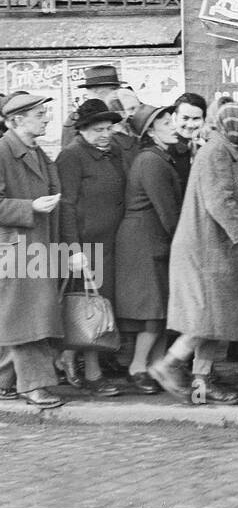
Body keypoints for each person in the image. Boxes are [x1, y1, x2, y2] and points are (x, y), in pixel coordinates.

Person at [151, 102, 238, 405]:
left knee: (215, 321)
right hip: (206, 252)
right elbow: (219, 202)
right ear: (232, 126)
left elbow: (220, 199)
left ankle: (202, 385)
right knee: (205, 319)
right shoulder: (217, 152)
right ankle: (169, 365)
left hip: (214, 249)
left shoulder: (224, 151)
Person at [55, 98, 129, 397]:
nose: (105, 133)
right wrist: (74, 250)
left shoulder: (111, 153)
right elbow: (67, 206)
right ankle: (92, 373)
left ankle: (69, 358)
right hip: (86, 246)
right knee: (88, 309)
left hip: (109, 244)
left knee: (100, 306)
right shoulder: (71, 157)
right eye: (98, 128)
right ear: (82, 130)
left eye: (108, 127)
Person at [0, 94, 66, 409]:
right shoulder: (2, 151)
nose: (46, 119)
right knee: (28, 317)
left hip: (35, 247)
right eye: (40, 114)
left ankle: (4, 383)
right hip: (15, 248)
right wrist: (31, 207)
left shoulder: (37, 152)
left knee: (22, 315)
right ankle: (34, 386)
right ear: (17, 121)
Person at [115, 105, 183, 394]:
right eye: (165, 123)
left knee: (158, 310)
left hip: (149, 238)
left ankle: (156, 365)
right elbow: (167, 211)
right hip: (144, 240)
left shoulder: (157, 157)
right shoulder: (151, 161)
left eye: (171, 121)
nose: (173, 126)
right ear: (150, 131)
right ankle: (138, 366)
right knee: (152, 310)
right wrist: (182, 240)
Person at [170, 92, 209, 193]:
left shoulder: (208, 148)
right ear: (174, 118)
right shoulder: (165, 150)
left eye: (196, 119)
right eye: (185, 118)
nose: (190, 125)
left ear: (204, 120)